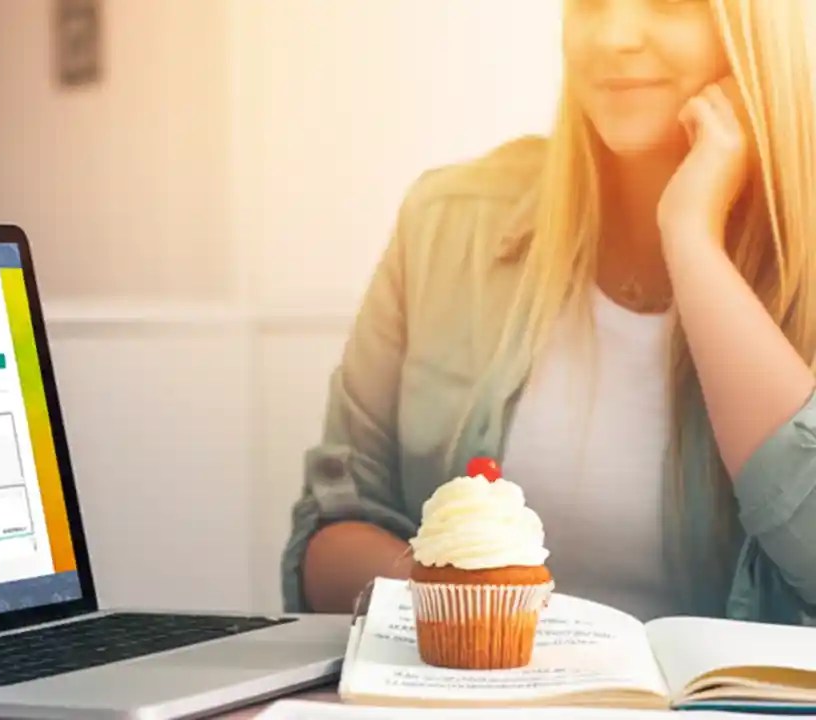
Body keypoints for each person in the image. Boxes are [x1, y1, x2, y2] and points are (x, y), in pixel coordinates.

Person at [282, 0, 816, 624]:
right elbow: (332, 528)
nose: (614, 35)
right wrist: (475, 614)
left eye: (670, 3)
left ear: (755, 30)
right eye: (590, 2)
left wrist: (691, 235)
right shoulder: (448, 220)